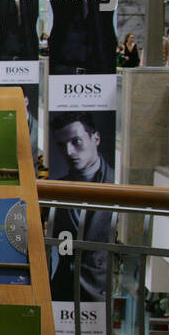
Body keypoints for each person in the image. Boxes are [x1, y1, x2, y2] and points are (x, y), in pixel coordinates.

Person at [48, 112, 114, 304]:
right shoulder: (56, 189)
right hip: (63, 293)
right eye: (62, 145)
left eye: (76, 141)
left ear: (96, 139)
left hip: (101, 295)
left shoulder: (119, 186)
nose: (68, 152)